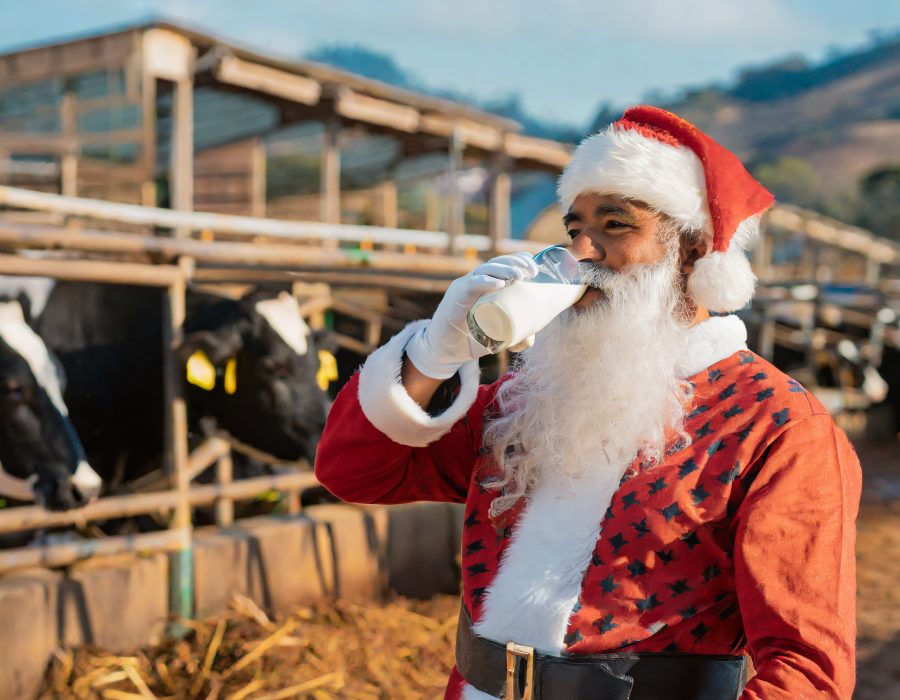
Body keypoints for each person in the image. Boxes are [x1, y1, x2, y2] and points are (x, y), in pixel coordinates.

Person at [315, 106, 861, 700]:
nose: (583, 250)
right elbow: (354, 471)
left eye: (616, 224)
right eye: (574, 227)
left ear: (694, 248)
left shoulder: (777, 427)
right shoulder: (528, 396)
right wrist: (436, 352)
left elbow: (808, 672)